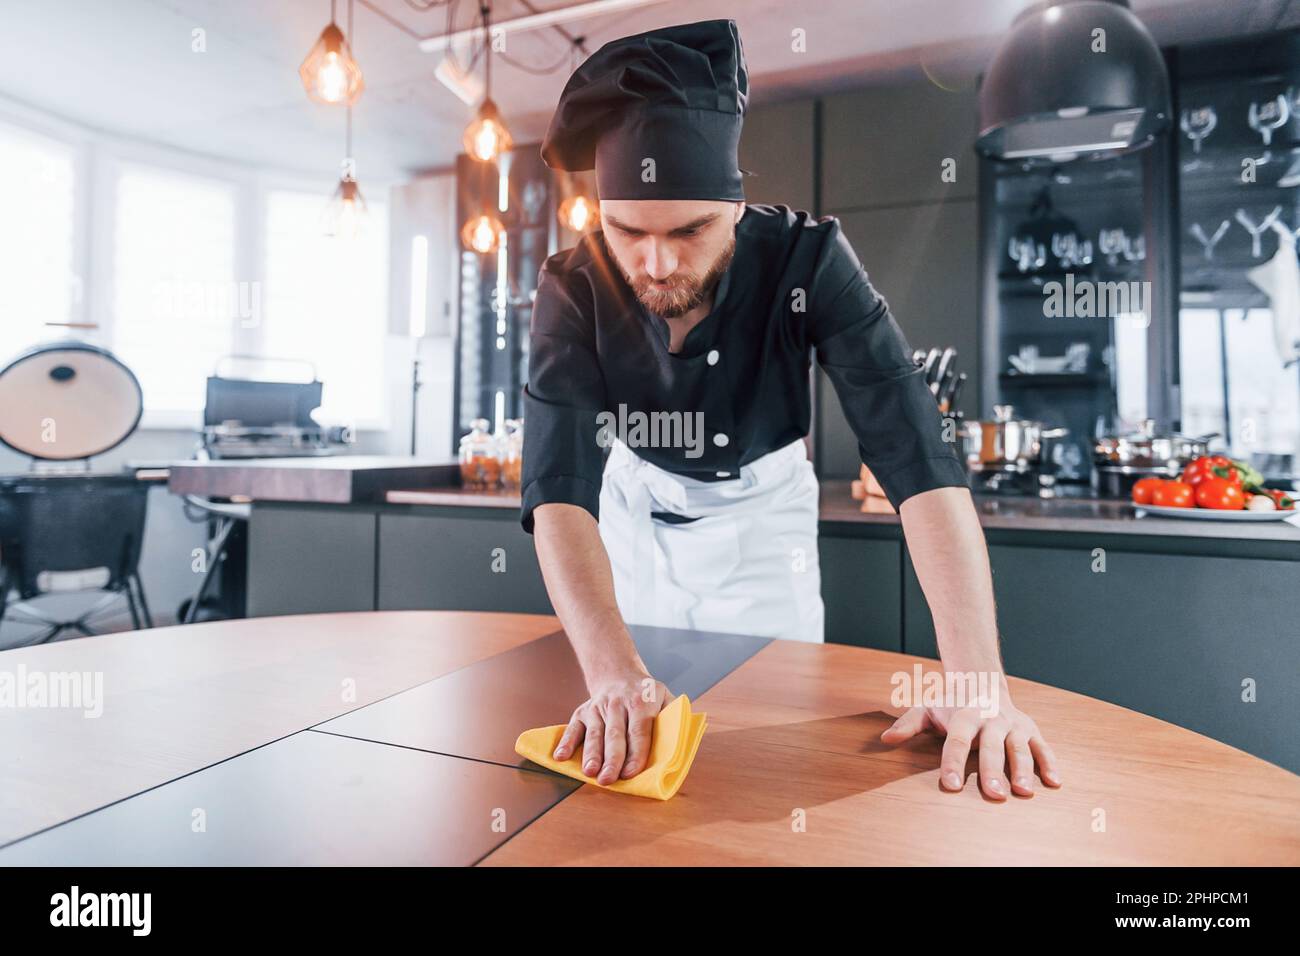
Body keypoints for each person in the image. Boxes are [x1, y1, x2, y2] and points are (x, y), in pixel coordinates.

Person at [520, 19, 1060, 800]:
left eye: (691, 229)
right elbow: (559, 486)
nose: (659, 262)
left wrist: (978, 679)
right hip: (630, 516)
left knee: (768, 759)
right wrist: (610, 673)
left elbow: (916, 457)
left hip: (761, 520)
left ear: (736, 205)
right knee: (633, 744)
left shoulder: (810, 259)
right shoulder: (572, 283)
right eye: (628, 231)